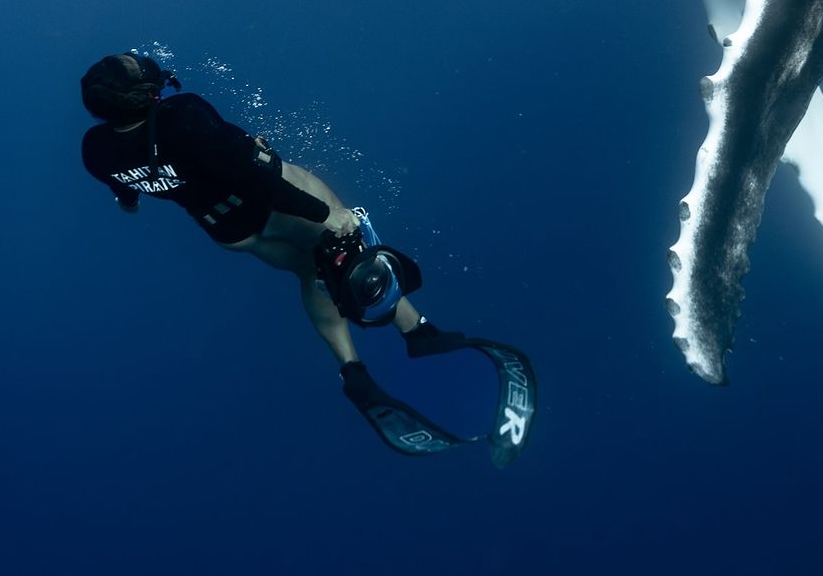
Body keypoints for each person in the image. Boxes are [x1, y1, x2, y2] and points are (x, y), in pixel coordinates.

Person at [80, 52, 536, 463]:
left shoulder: (94, 149)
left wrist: (144, 194)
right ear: (143, 94)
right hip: (272, 204)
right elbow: (255, 179)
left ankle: (351, 369)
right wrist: (326, 215)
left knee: (309, 273)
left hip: (227, 230)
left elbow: (129, 192)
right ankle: (419, 332)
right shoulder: (182, 113)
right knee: (345, 252)